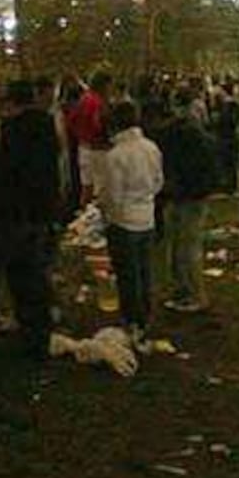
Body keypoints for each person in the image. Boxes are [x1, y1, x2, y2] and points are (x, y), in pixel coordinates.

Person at [0, 80, 61, 359]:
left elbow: (6, 172)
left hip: (17, 210)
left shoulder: (12, 130)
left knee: (22, 272)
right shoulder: (47, 125)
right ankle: (39, 327)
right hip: (42, 207)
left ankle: (31, 330)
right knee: (38, 270)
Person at [101, 101, 164, 347]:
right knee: (144, 270)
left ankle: (133, 320)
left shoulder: (116, 155)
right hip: (146, 215)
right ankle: (145, 316)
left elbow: (113, 195)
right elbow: (159, 181)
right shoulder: (151, 148)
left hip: (123, 220)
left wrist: (109, 211)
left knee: (128, 275)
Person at [158, 91, 219, 314]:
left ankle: (190, 293)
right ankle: (186, 292)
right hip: (193, 196)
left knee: (180, 247)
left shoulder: (168, 133)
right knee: (185, 246)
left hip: (180, 196)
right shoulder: (200, 135)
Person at [69, 69, 112, 207]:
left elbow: (71, 121)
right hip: (98, 150)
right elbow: (98, 126)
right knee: (100, 191)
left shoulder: (84, 99)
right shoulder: (97, 102)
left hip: (84, 148)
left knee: (86, 188)